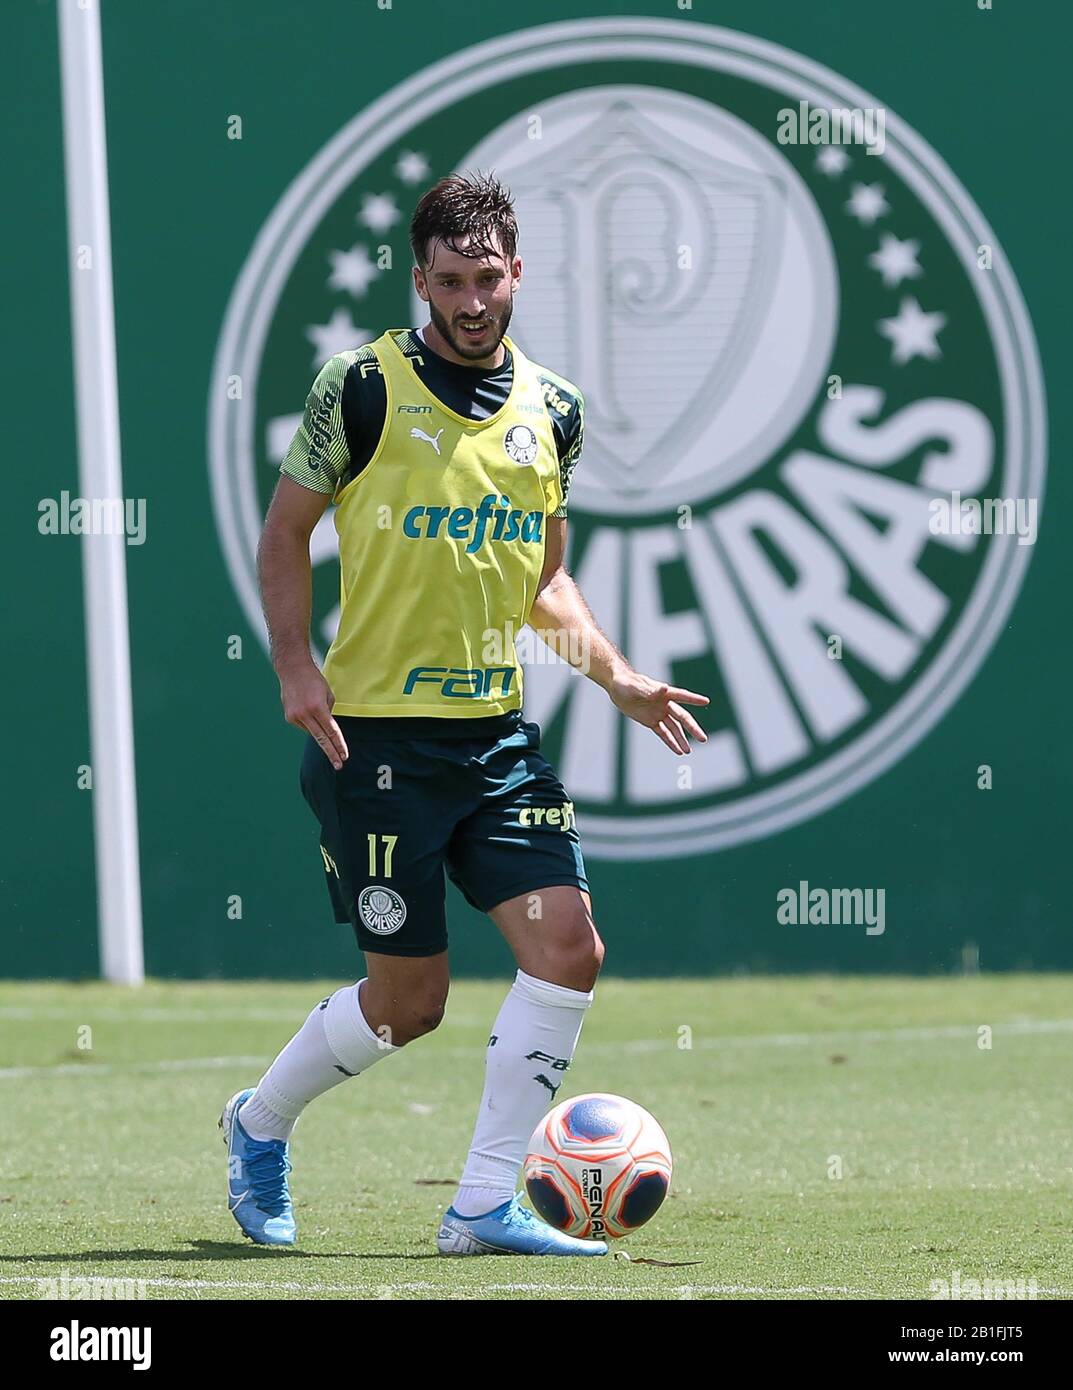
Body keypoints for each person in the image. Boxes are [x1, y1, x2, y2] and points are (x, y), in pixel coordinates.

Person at [221, 171, 709, 1255]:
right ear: (420, 278)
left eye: (488, 277)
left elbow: (542, 582)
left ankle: (480, 1205)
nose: (472, 299)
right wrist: (296, 669)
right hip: (371, 741)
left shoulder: (555, 412)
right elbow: (283, 532)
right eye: (450, 280)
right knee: (409, 1004)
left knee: (568, 949)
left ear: (517, 272)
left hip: (496, 739)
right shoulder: (358, 387)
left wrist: (618, 677)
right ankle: (257, 1124)